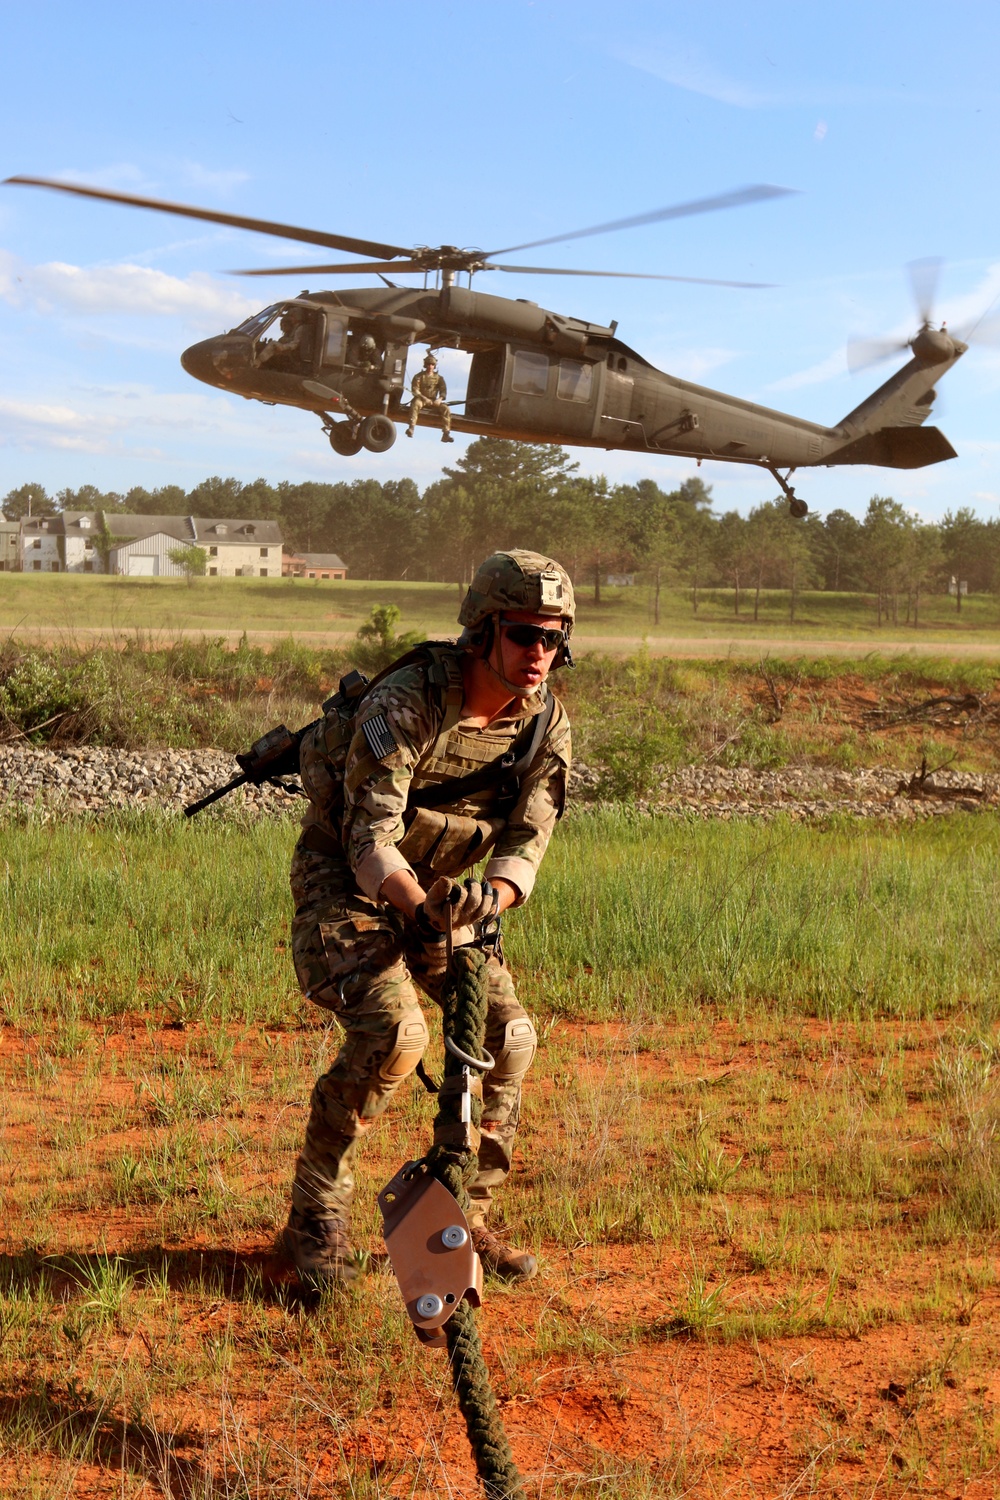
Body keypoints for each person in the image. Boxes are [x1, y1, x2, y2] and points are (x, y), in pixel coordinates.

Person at [285, 551, 574, 1287]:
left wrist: (492, 898)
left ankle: (462, 1218)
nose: (540, 653)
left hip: (442, 897)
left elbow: (526, 841)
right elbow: (367, 840)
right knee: (397, 1035)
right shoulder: (407, 702)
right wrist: (417, 911)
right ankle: (315, 1222)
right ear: (483, 631)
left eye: (554, 637)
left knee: (509, 1038)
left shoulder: (546, 726)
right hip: (347, 885)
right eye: (524, 634)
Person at [406, 351, 453, 441]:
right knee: (415, 404)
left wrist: (439, 399)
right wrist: (424, 398)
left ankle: (446, 433)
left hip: (434, 401)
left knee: (446, 409)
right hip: (421, 399)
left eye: (432, 364)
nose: (430, 366)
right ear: (425, 365)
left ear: (434, 366)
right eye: (428, 364)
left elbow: (443, 391)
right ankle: (411, 428)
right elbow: (415, 390)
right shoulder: (419, 376)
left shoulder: (439, 378)